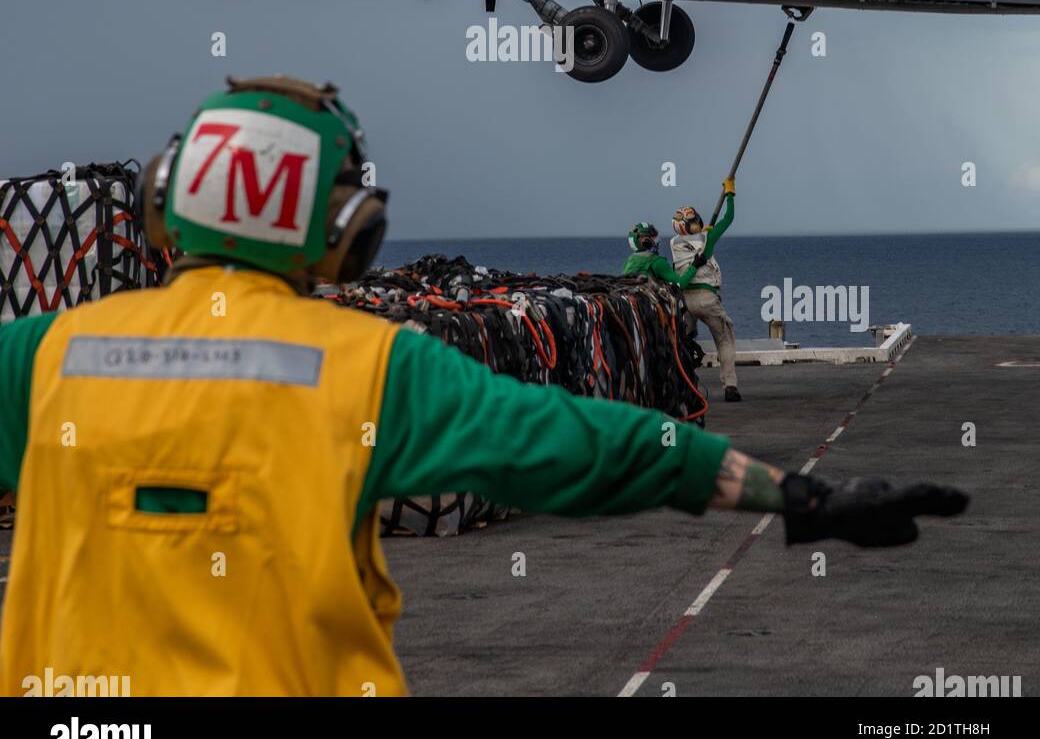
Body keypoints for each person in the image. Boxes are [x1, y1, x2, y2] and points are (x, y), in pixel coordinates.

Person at [0, 76, 969, 697]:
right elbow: (587, 444)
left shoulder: (42, 356)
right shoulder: (372, 365)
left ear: (169, 197)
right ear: (345, 229)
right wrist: (798, 496)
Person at [671, 183, 741, 402]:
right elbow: (728, 218)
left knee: (684, 342)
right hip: (707, 298)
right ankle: (730, 386)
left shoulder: (674, 244)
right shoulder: (707, 240)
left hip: (685, 301)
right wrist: (730, 194)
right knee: (725, 339)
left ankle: (683, 383)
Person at [621, 221, 701, 288]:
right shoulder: (657, 262)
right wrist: (695, 266)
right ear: (645, 241)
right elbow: (680, 284)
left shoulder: (629, 261)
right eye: (653, 238)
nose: (657, 241)